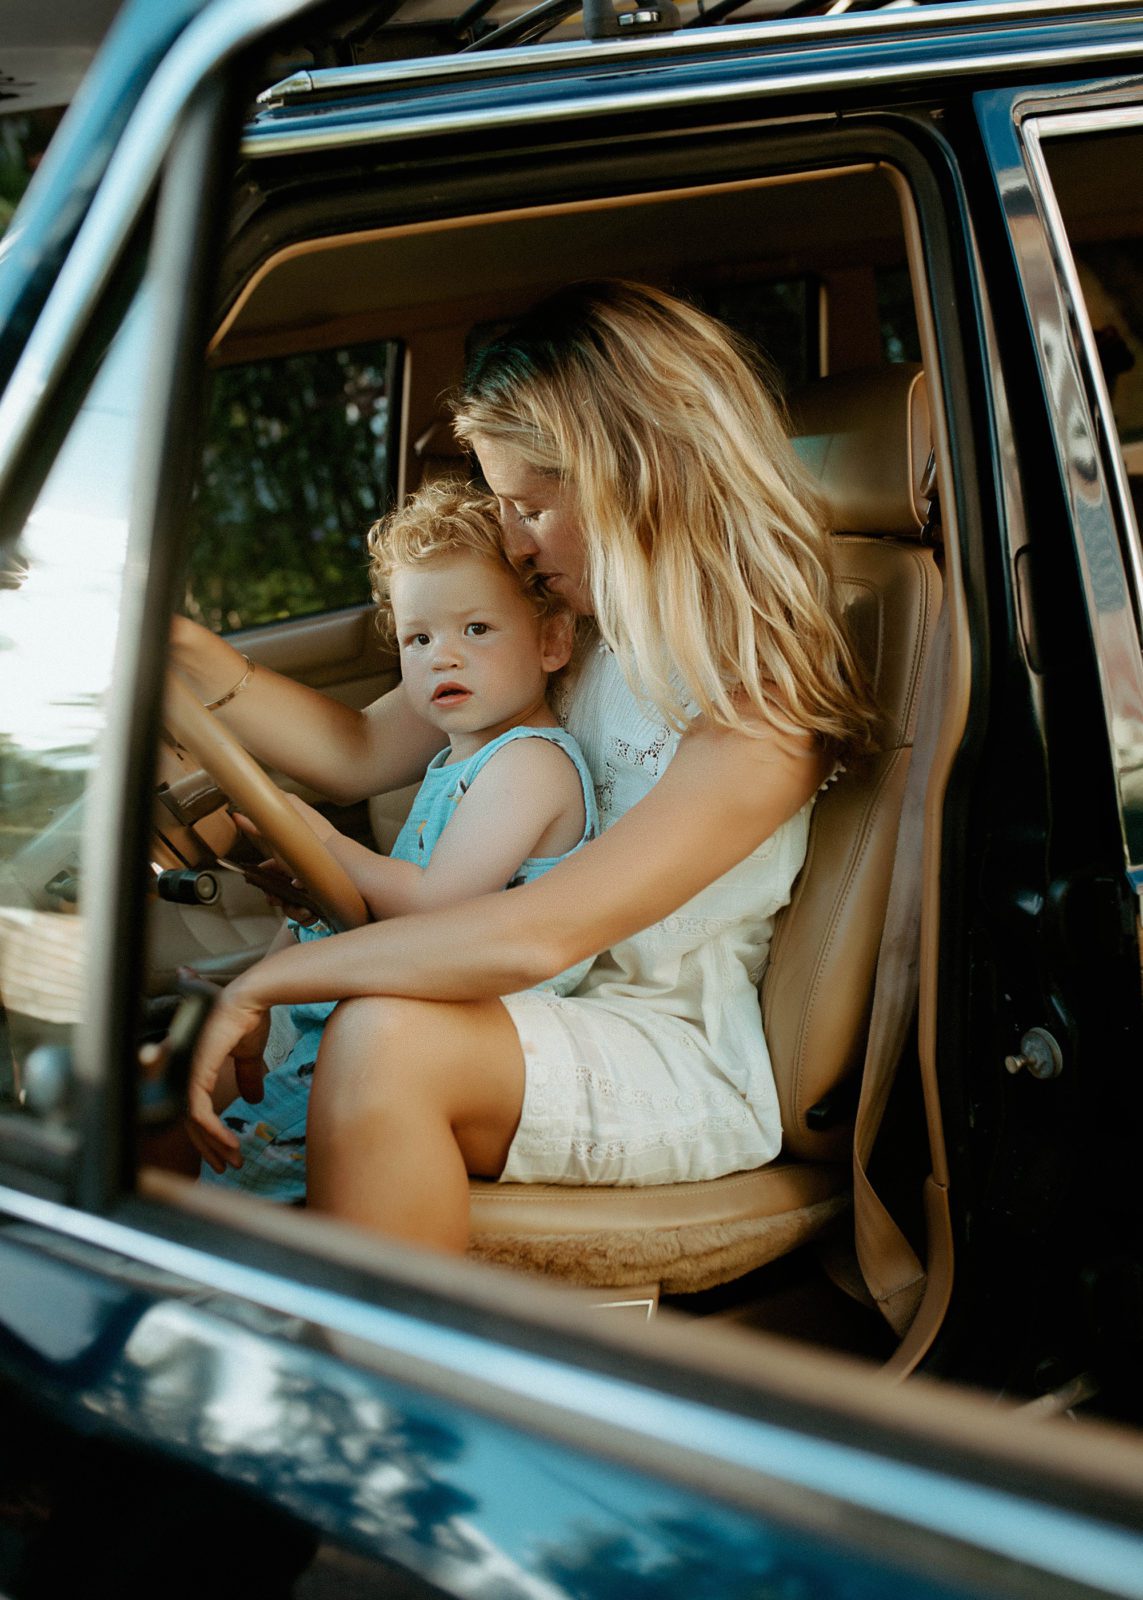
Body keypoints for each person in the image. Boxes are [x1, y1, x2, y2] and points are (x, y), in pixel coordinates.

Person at [177, 279, 876, 1254]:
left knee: (383, 1039)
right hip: (543, 1004)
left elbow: (537, 935)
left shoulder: (757, 706)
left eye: (532, 508)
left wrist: (272, 980)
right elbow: (357, 750)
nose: (512, 541)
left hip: (669, 1048)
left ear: (635, 474)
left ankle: (390, 1393)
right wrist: (178, 652)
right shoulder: (581, 630)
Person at [192, 481, 598, 1199]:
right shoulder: (457, 762)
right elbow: (370, 905)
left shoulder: (530, 763)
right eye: (420, 638)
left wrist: (324, 841)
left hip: (461, 1013)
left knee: (245, 1179)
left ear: (551, 641)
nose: (443, 656)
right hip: (402, 986)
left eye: (476, 630)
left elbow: (436, 904)